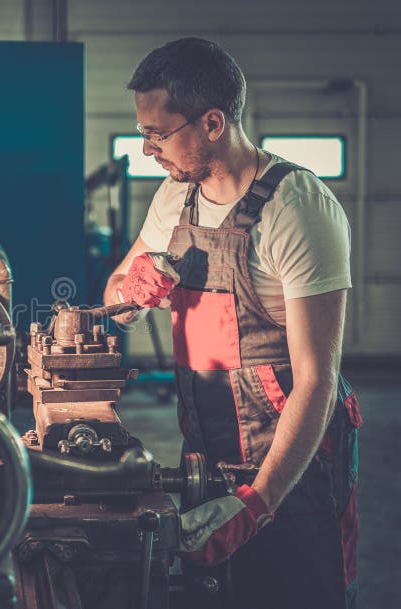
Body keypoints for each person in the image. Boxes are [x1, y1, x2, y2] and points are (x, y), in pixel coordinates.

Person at [104, 38, 360, 609]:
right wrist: (134, 287)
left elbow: (318, 377)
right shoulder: (175, 198)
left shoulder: (296, 209)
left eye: (157, 133)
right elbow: (115, 297)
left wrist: (261, 500)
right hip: (207, 447)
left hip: (293, 460)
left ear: (213, 121)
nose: (148, 150)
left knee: (296, 591)